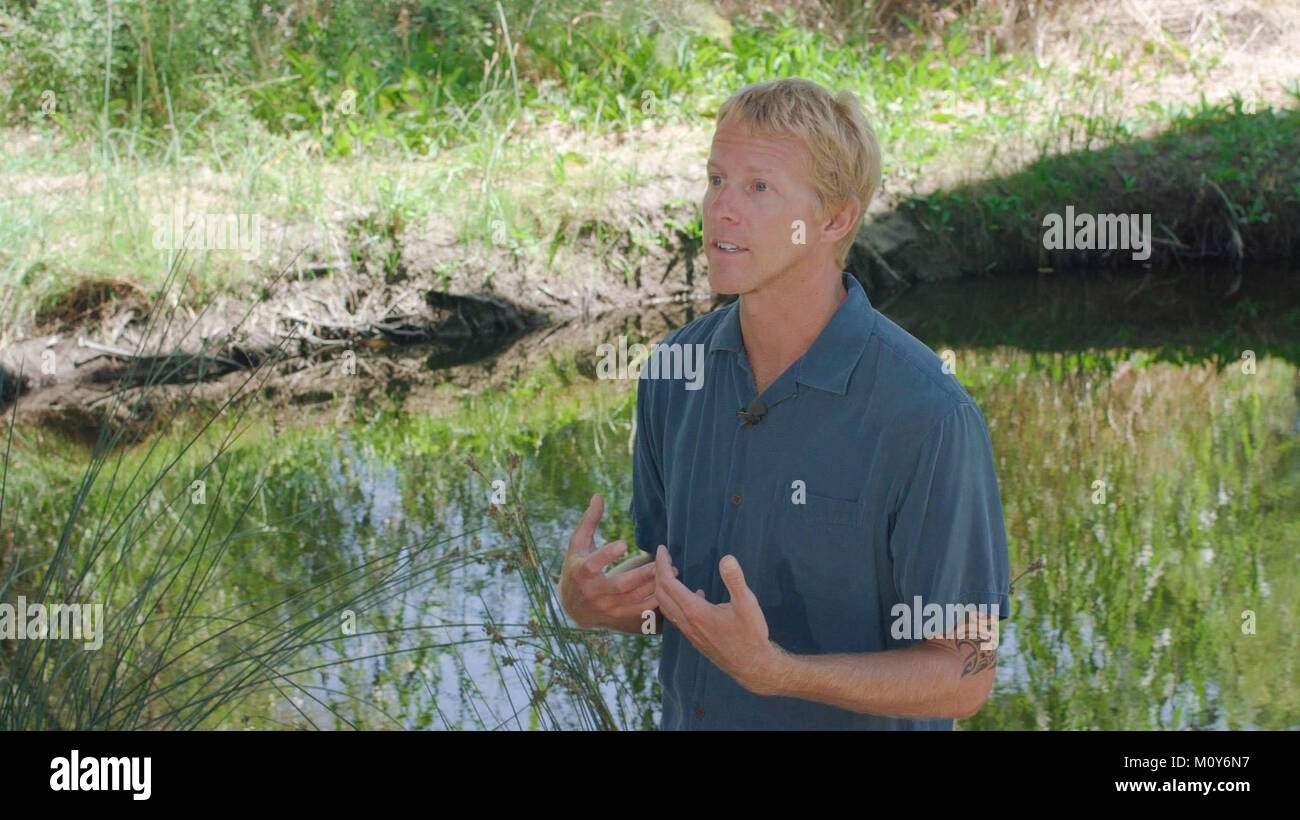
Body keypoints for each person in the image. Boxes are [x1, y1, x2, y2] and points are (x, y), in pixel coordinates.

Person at [559, 77, 1011, 729]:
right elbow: (675, 604)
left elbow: (966, 674)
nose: (721, 209)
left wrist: (783, 674)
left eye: (758, 187)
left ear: (835, 219)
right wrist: (591, 603)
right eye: (716, 179)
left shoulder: (929, 416)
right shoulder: (672, 375)